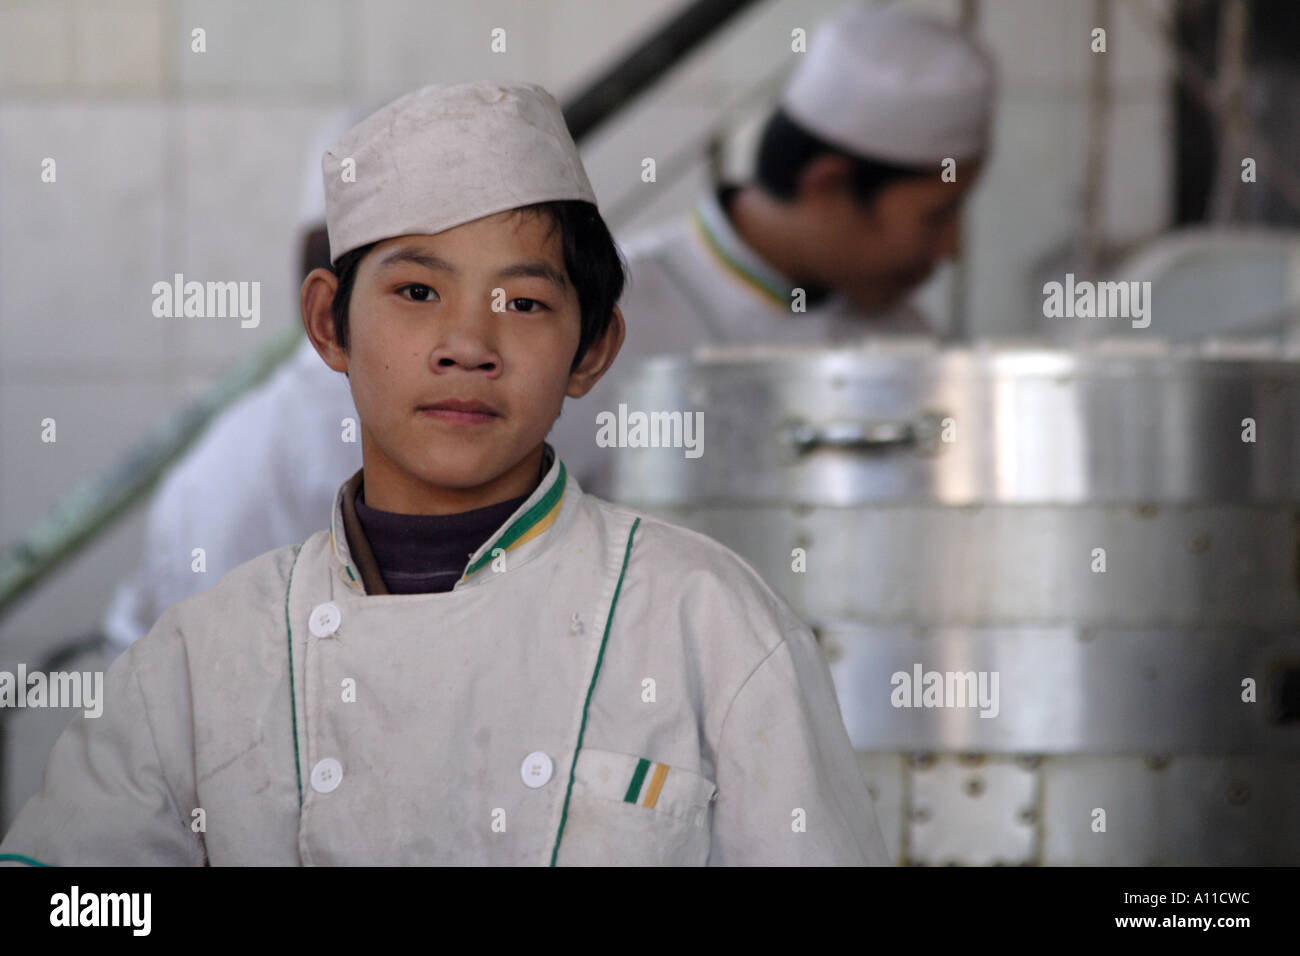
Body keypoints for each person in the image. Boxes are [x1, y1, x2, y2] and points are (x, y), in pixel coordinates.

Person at [0, 81, 889, 866]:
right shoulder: (198, 661)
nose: (468, 346)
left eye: (526, 303)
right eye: (418, 293)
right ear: (328, 324)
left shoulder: (714, 628)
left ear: (594, 349)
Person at [550, 1, 997, 492]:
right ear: (827, 183)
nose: (951, 248)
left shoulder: (906, 336)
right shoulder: (604, 318)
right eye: (938, 214)